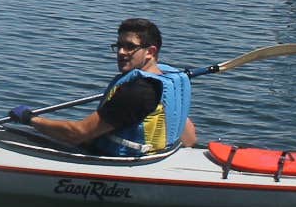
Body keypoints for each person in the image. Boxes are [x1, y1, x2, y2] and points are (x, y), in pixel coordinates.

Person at [11, 17, 198, 157]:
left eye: (129, 47)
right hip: (161, 158)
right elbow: (190, 139)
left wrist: (30, 119)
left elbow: (77, 134)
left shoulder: (137, 92)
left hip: (121, 165)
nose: (121, 52)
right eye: (118, 46)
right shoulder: (165, 79)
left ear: (150, 52)